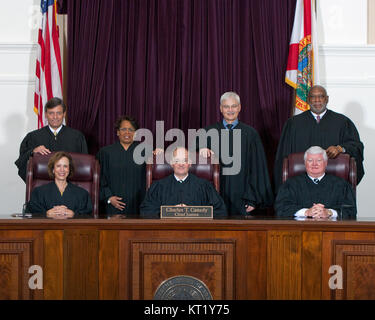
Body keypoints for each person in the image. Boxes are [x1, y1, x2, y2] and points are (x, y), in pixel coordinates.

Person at [274, 85, 364, 191]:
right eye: (313, 97)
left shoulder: (342, 122)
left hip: (334, 187)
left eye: (321, 96)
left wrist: (340, 148)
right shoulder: (293, 124)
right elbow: (283, 157)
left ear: (327, 99)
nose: (317, 100)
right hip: (301, 188)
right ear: (308, 100)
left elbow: (357, 146)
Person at [197, 91, 273, 215]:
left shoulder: (250, 134)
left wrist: (253, 198)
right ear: (221, 108)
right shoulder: (207, 132)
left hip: (243, 197)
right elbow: (188, 160)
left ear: (239, 108)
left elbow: (257, 168)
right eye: (226, 106)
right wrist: (201, 149)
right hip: (214, 197)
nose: (230, 110)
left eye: (234, 106)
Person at [15, 97, 88, 182]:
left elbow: (84, 165)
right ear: (45, 114)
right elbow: (22, 162)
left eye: (59, 113)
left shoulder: (77, 137)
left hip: (70, 188)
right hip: (42, 189)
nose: (55, 117)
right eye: (51, 113)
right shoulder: (33, 137)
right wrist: (32, 152)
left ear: (64, 114)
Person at [140, 147, 227, 216]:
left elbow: (220, 210)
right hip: (166, 234)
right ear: (171, 163)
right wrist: (171, 211)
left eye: (185, 160)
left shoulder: (204, 186)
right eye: (177, 160)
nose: (181, 164)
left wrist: (192, 212)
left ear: (190, 163)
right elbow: (146, 210)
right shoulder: (158, 186)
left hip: (197, 234)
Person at [274, 146, 356, 219]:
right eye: (310, 160)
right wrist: (306, 212)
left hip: (332, 232)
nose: (314, 164)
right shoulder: (290, 184)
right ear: (305, 163)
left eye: (319, 160)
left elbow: (351, 211)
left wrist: (329, 212)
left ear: (326, 163)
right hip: (299, 231)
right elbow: (280, 208)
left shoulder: (341, 185)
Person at [96, 115, 146, 215]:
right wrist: (109, 198)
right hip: (112, 207)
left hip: (139, 206)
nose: (127, 132)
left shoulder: (144, 152)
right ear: (118, 132)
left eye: (131, 129)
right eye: (123, 129)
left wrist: (158, 153)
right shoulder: (105, 152)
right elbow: (100, 179)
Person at [27, 151, 93, 218]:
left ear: (69, 169)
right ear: (53, 169)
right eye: (58, 166)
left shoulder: (82, 194)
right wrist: (46, 213)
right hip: (47, 228)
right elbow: (30, 215)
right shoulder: (38, 193)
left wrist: (74, 214)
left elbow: (88, 216)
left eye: (65, 166)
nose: (62, 170)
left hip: (72, 228)